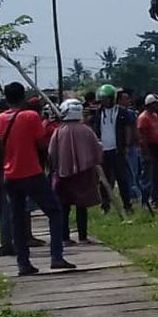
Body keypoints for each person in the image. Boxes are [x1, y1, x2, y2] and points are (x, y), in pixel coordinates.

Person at [0, 82, 74, 275]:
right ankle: (56, 256)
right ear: (23, 97)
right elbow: (40, 142)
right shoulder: (30, 116)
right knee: (54, 212)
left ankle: (23, 263)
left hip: (10, 175)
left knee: (18, 219)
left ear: (6, 98)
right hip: (31, 172)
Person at [48, 99, 103, 245]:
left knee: (64, 207)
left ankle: (65, 237)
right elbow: (98, 151)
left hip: (63, 173)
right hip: (84, 174)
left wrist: (54, 168)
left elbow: (52, 153)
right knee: (81, 206)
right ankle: (83, 236)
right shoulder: (86, 130)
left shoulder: (59, 131)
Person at [92, 84, 134, 213]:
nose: (104, 101)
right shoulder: (99, 112)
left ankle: (127, 205)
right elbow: (94, 129)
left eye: (106, 98)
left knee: (122, 179)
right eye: (102, 98)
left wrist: (126, 146)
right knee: (104, 181)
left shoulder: (122, 112)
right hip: (103, 151)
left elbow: (128, 129)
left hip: (117, 150)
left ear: (112, 98)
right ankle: (105, 205)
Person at [137, 95, 158, 208]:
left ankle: (156, 200)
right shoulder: (143, 118)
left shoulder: (155, 116)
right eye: (156, 103)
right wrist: (146, 152)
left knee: (157, 176)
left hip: (157, 148)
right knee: (147, 177)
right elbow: (142, 137)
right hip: (148, 148)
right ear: (150, 104)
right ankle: (145, 201)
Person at [118, 89, 143, 205]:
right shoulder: (119, 114)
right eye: (125, 98)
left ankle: (134, 194)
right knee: (129, 172)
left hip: (132, 146)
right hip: (125, 146)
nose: (129, 101)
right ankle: (132, 194)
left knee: (134, 171)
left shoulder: (130, 113)